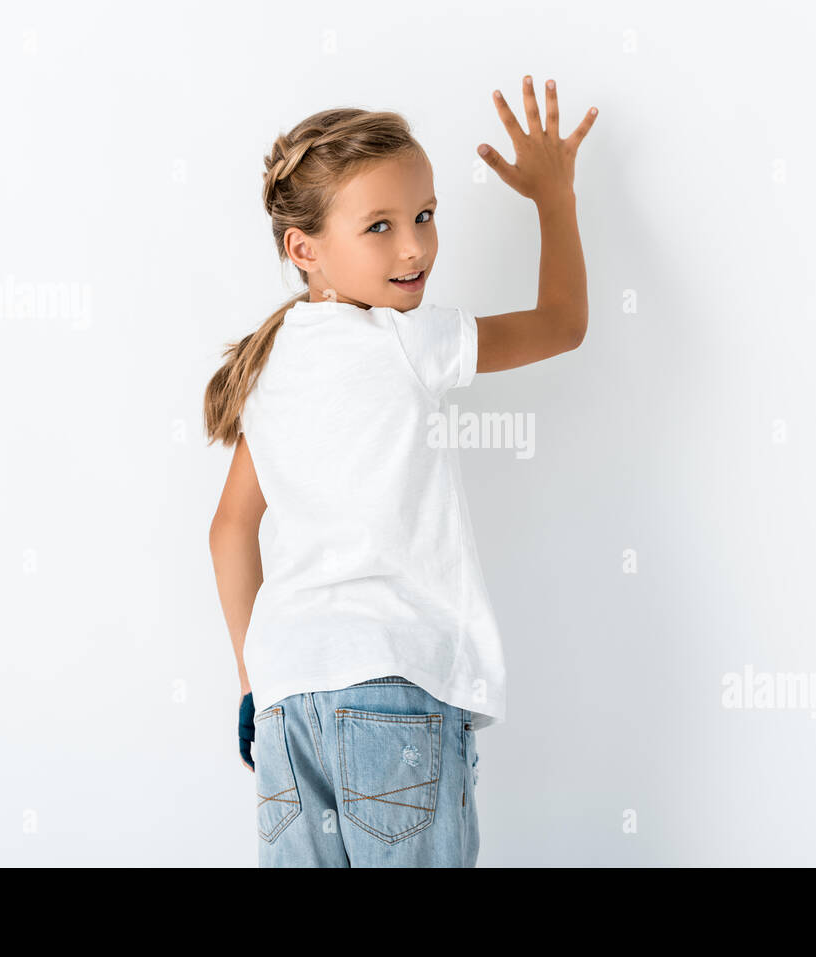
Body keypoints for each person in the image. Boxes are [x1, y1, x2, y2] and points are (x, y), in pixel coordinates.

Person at [205, 76, 596, 867]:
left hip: (285, 706)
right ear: (303, 249)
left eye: (424, 214)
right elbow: (564, 323)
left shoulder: (271, 366)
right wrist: (554, 196)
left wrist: (256, 684)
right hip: (393, 686)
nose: (414, 246)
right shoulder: (401, 341)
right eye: (379, 226)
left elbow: (229, 529)